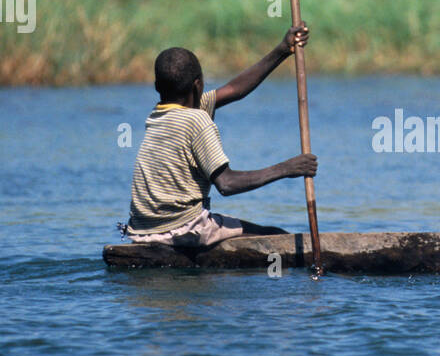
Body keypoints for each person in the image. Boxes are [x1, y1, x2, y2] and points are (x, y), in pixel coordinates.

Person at [121, 23, 317, 248]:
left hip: (143, 231)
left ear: (157, 87)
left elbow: (236, 89)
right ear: (198, 85)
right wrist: (288, 169)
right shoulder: (196, 119)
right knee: (278, 238)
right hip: (185, 228)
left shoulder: (158, 116)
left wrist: (282, 50)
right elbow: (227, 184)